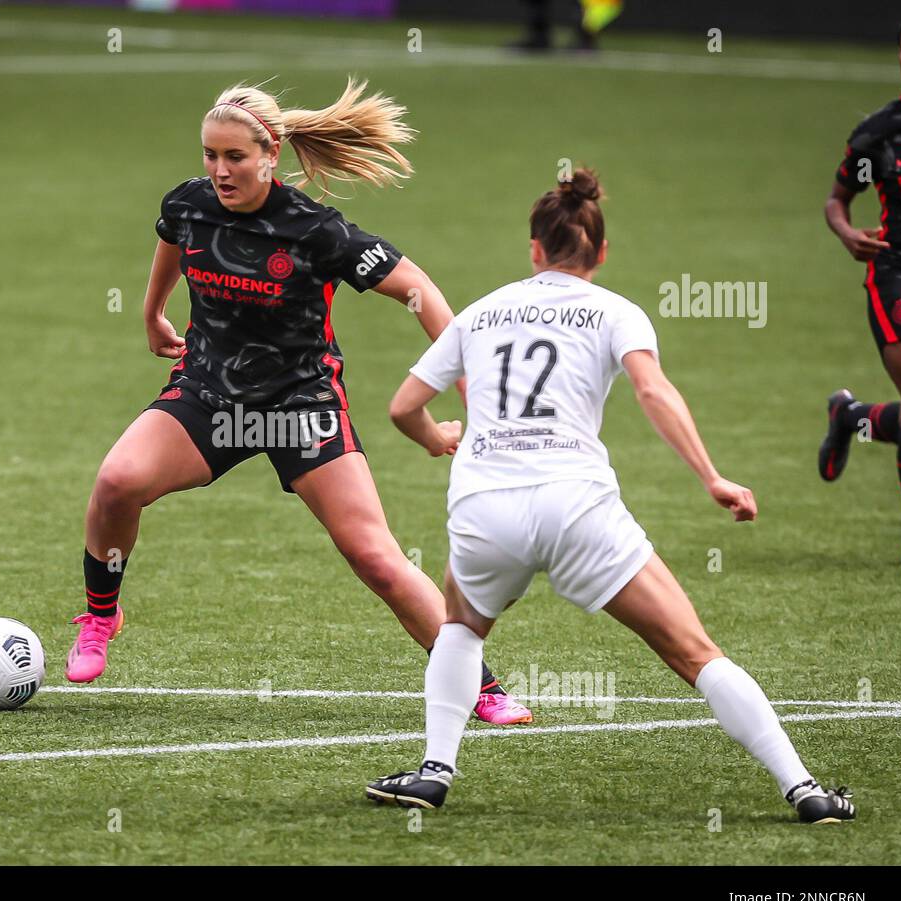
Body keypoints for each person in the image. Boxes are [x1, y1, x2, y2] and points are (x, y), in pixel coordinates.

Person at [365, 170, 855, 823]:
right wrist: (711, 477)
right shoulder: (616, 310)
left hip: (486, 505)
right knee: (694, 651)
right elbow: (653, 391)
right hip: (577, 506)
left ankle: (434, 772)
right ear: (601, 253)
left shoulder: (481, 312)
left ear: (534, 249)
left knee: (460, 623)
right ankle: (803, 789)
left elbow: (403, 407)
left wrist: (435, 437)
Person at [66, 78, 531, 725]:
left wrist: (462, 374)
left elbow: (416, 287)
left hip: (300, 406)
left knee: (375, 556)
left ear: (271, 153)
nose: (219, 171)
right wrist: (153, 314)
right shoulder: (191, 203)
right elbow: (172, 235)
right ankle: (99, 615)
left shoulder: (315, 230)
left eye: (234, 157)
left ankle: (480, 685)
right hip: (208, 395)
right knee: (117, 481)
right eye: (209, 155)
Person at [818, 15, 901, 567]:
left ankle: (851, 417)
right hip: (896, 272)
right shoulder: (878, 133)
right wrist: (845, 232)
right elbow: (836, 199)